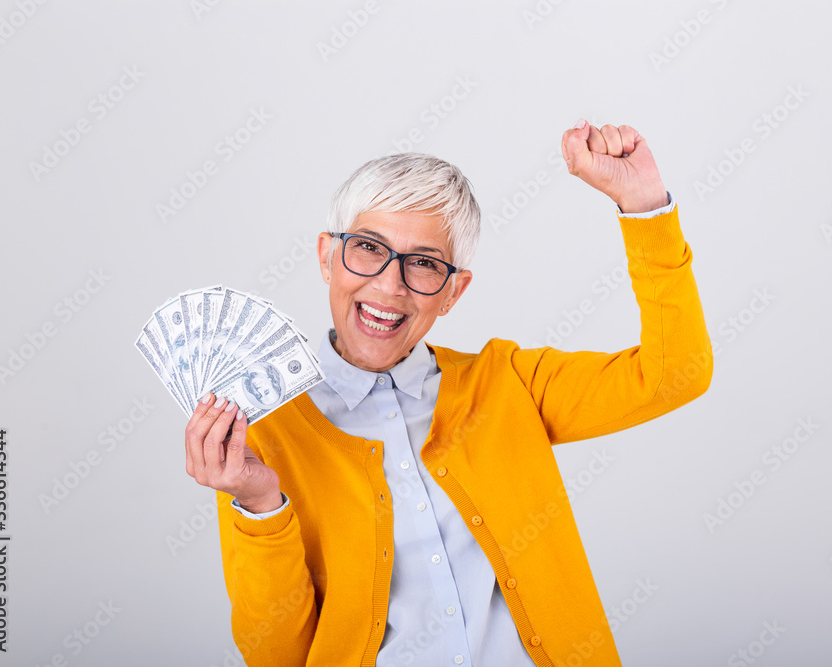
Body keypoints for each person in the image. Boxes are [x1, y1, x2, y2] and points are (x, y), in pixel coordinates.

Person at [184, 119, 713, 666]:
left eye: (424, 264)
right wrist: (259, 505)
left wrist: (645, 206)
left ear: (453, 292)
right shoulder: (262, 433)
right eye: (368, 247)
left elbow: (678, 373)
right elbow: (276, 656)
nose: (390, 286)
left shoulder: (507, 383)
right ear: (326, 256)